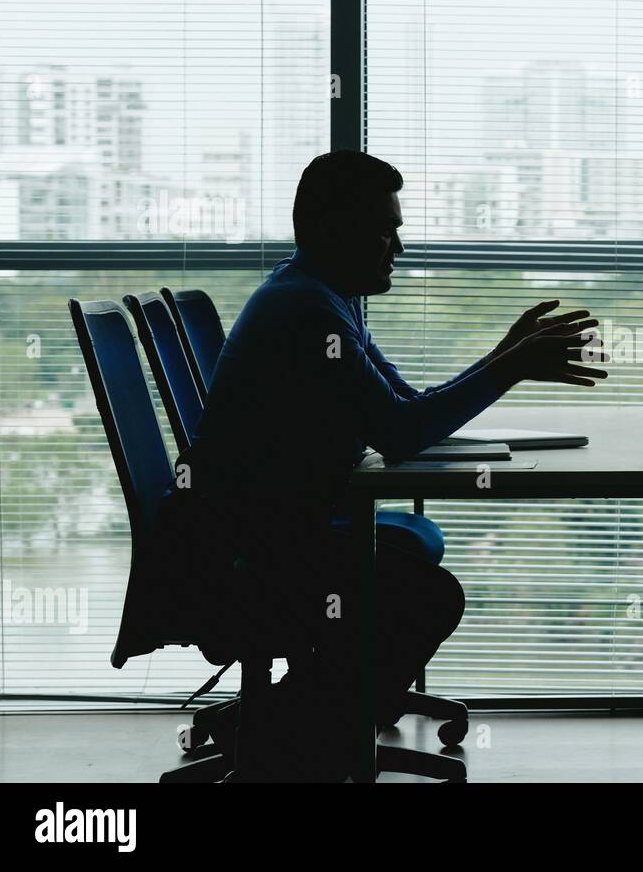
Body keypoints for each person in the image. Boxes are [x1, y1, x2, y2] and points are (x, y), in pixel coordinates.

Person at [168, 150, 607, 778]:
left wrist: (502, 357)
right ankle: (294, 737)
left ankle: (283, 722)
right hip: (250, 550)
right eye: (385, 230)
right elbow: (403, 433)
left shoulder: (322, 297)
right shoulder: (309, 312)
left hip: (261, 531)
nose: (396, 247)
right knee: (426, 596)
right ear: (333, 230)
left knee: (408, 578)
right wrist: (508, 366)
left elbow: (404, 407)